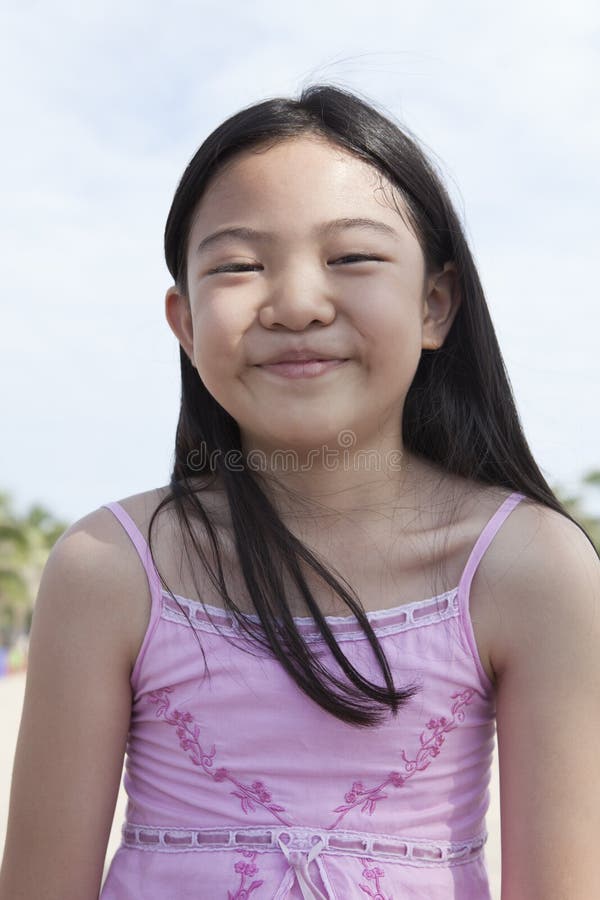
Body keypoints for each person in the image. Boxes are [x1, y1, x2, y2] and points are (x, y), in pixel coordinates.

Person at [1, 84, 598, 900]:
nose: (296, 304)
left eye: (351, 257)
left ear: (435, 303)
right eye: (240, 266)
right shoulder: (109, 566)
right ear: (184, 321)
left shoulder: (530, 568)